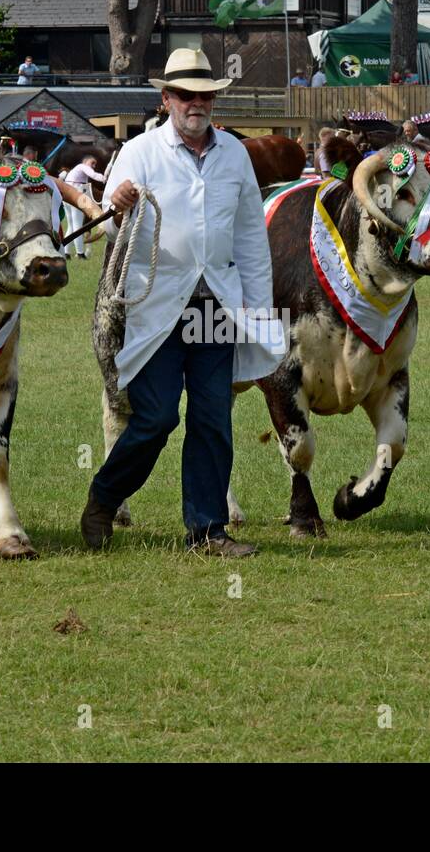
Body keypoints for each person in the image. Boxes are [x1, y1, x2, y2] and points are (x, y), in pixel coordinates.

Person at [79, 47, 281, 557]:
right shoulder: (140, 151)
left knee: (213, 417)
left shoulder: (234, 153)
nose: (197, 103)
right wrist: (117, 203)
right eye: (186, 95)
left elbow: (250, 238)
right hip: (156, 307)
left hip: (215, 308)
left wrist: (256, 309)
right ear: (166, 99)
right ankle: (104, 496)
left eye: (205, 95)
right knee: (156, 417)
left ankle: (207, 531)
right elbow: (111, 221)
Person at [62, 154, 106, 259]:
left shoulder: (76, 170)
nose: (94, 166)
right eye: (92, 163)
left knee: (71, 226)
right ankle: (80, 253)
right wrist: (105, 178)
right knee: (77, 226)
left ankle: (66, 253)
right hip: (76, 195)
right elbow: (94, 175)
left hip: (67, 196)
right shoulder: (82, 166)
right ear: (86, 161)